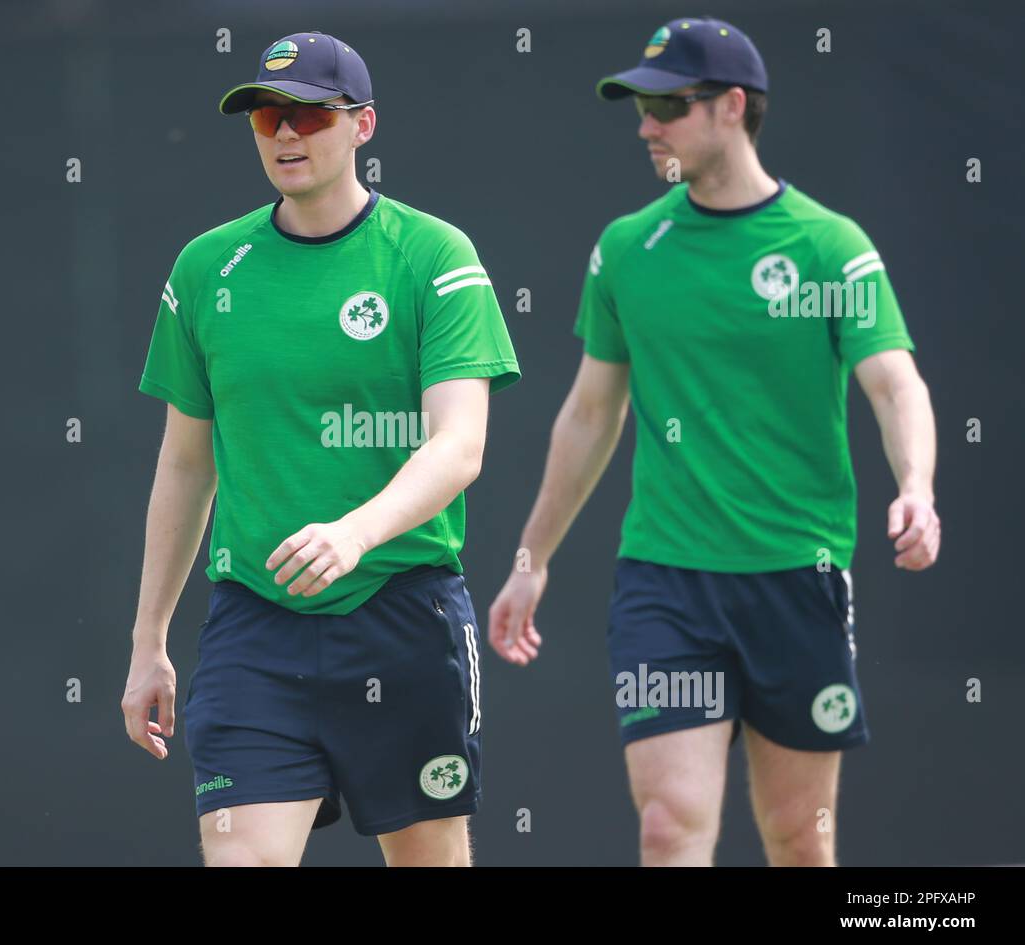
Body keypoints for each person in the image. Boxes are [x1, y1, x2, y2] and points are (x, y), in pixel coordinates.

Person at [488, 16, 939, 866]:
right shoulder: (628, 248)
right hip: (666, 582)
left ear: (733, 106)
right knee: (669, 826)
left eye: (668, 106)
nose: (646, 126)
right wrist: (531, 558)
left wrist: (916, 486)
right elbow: (590, 414)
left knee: (797, 840)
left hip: (796, 574)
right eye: (641, 107)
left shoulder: (830, 245)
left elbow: (894, 384)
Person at [122, 31, 519, 866]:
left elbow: (459, 445)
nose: (284, 134)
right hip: (254, 628)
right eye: (266, 117)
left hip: (403, 617)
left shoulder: (433, 257)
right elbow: (186, 464)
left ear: (362, 125)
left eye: (308, 114)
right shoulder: (206, 269)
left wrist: (353, 534)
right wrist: (147, 640)